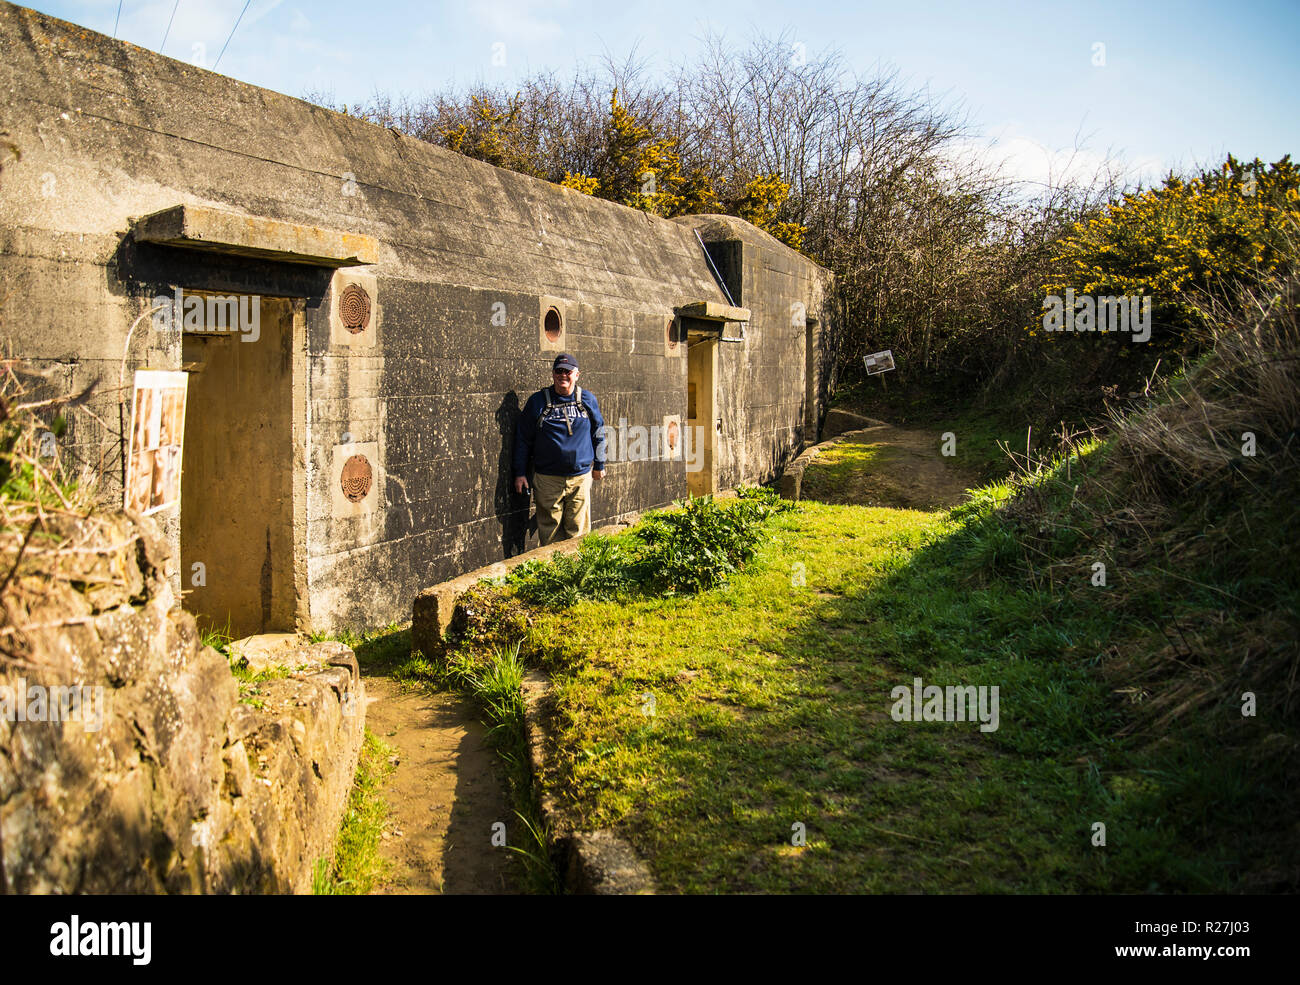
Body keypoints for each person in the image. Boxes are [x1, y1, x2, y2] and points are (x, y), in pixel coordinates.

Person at [513, 353, 606, 545]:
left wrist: (600, 464)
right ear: (553, 373)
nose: (563, 375)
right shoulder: (538, 402)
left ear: (577, 374)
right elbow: (523, 439)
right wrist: (520, 473)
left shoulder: (587, 400)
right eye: (558, 371)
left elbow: (599, 432)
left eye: (568, 371)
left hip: (580, 478)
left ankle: (579, 573)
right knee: (550, 534)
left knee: (578, 532)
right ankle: (554, 572)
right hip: (547, 480)